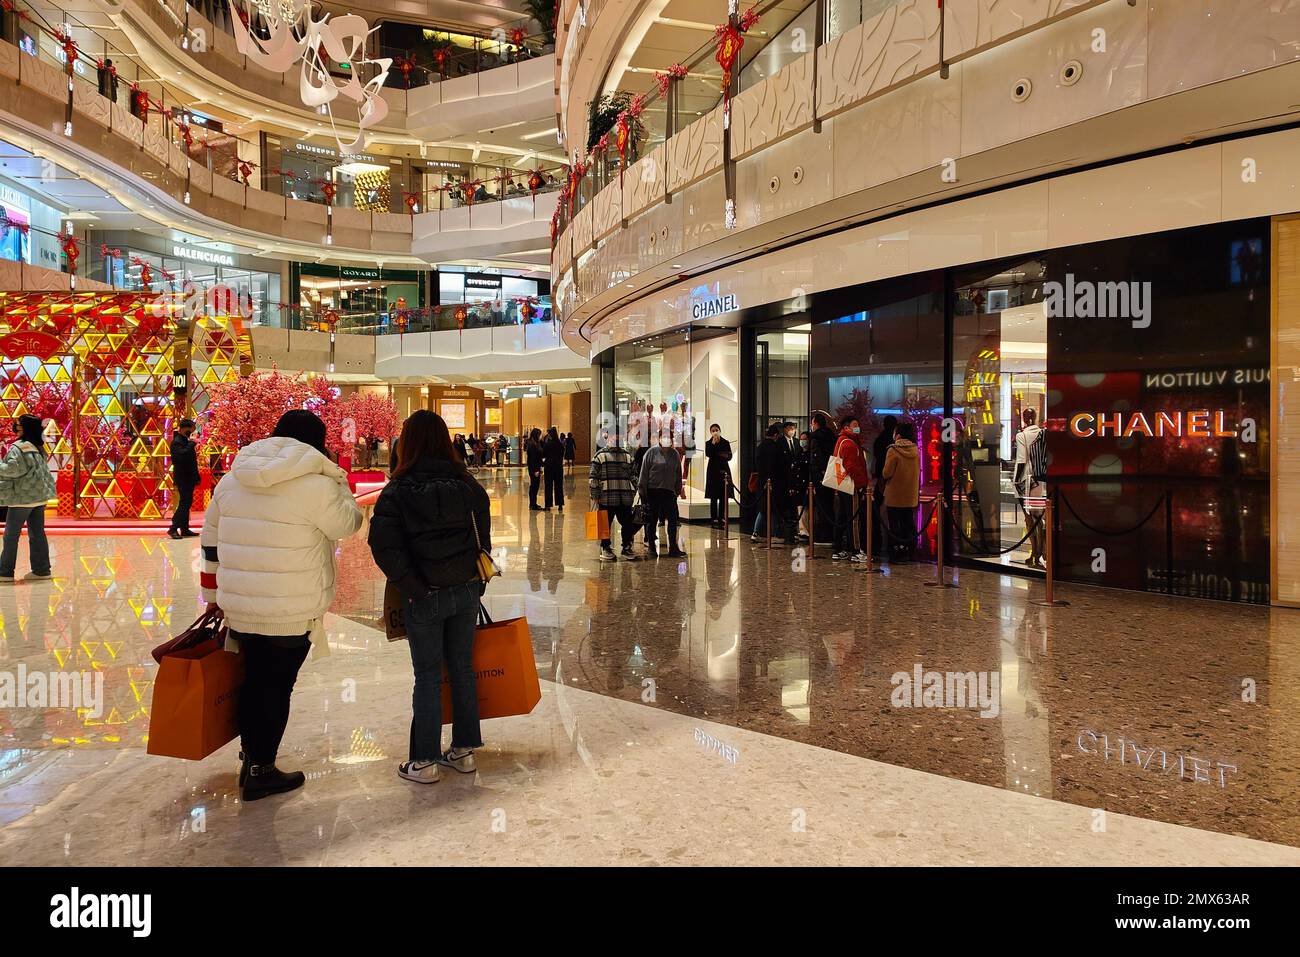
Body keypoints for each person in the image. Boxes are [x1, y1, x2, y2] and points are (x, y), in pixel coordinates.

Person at [200, 409, 363, 801]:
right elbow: (348, 524)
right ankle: (261, 768)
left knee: (254, 681)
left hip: (239, 606)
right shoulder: (317, 483)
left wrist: (211, 599)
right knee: (276, 686)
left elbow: (210, 542)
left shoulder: (232, 479)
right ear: (317, 443)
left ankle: (251, 758)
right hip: (292, 609)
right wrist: (339, 481)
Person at [368, 410, 491, 784]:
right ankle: (464, 750)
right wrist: (475, 582)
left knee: (427, 676)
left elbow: (383, 546)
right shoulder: (469, 486)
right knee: (462, 669)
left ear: (407, 444)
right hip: (466, 590)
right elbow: (482, 540)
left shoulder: (398, 490)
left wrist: (415, 586)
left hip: (426, 595)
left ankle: (424, 760)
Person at [0, 415, 56, 584]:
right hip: (39, 496)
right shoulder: (38, 446)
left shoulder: (18, 447)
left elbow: (13, 469)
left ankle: (5, 572)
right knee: (37, 533)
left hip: (22, 497)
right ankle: (41, 570)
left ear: (24, 427)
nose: (15, 426)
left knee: (11, 535)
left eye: (17, 424)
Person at [589, 429, 639, 561]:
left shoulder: (627, 456)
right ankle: (605, 547)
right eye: (614, 437)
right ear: (608, 437)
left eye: (619, 438)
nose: (617, 440)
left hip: (624, 497)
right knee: (605, 523)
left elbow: (634, 476)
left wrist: (635, 491)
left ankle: (626, 547)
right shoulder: (600, 456)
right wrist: (595, 495)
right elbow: (593, 477)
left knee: (627, 523)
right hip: (606, 498)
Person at [637, 431, 685, 559]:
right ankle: (652, 547)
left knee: (673, 520)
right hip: (653, 491)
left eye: (668, 437)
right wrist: (642, 490)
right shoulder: (651, 453)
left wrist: (678, 488)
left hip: (669, 492)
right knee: (652, 520)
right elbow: (644, 473)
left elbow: (678, 473)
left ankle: (673, 548)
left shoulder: (674, 454)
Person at [832, 415, 871, 562]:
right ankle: (855, 551)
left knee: (842, 516)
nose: (857, 427)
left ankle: (838, 549)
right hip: (851, 486)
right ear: (846, 427)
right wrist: (862, 484)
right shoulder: (849, 443)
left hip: (842, 485)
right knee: (854, 518)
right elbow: (851, 467)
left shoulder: (842, 440)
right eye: (855, 424)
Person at [1013, 408, 1048, 568]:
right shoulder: (1042, 433)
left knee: (1030, 519)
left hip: (1026, 481)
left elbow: (1021, 460)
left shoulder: (1022, 436)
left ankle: (1035, 552)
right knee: (1040, 517)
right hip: (1041, 480)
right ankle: (1043, 552)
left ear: (1024, 419)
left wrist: (1015, 481)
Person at [882, 420, 921, 563]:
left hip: (894, 495)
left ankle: (896, 553)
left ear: (897, 435)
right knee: (908, 523)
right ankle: (910, 551)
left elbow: (887, 473)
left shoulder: (893, 450)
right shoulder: (916, 450)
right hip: (910, 495)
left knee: (894, 525)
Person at [751, 423, 794, 546]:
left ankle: (755, 532)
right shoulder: (776, 448)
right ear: (775, 435)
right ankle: (774, 534)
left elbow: (759, 466)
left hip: (762, 482)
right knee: (773, 509)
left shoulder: (760, 447)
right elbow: (779, 466)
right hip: (774, 483)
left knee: (764, 508)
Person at [168, 418, 202, 539]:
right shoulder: (177, 442)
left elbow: (191, 461)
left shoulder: (184, 441)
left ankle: (184, 528)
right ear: (183, 429)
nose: (192, 432)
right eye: (190, 430)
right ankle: (173, 528)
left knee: (187, 503)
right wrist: (192, 443)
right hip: (183, 477)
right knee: (185, 503)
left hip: (188, 477)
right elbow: (181, 457)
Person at [808, 411, 837, 545]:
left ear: (816, 424)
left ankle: (824, 536)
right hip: (831, 475)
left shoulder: (815, 439)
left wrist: (816, 478)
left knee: (821, 507)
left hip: (820, 477)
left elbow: (816, 460)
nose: (811, 425)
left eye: (812, 423)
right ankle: (831, 533)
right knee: (829, 505)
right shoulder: (832, 437)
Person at [871, 415, 897, 555]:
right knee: (895, 512)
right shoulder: (894, 443)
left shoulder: (880, 440)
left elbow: (878, 458)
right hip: (894, 480)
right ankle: (896, 542)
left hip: (883, 478)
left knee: (877, 508)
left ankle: (878, 537)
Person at [703, 423, 732, 528]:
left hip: (723, 470)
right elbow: (709, 454)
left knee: (723, 496)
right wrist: (714, 444)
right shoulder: (708, 443)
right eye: (713, 430)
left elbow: (729, 456)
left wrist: (722, 455)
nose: (715, 432)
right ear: (711, 432)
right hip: (712, 471)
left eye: (716, 430)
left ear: (719, 430)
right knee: (713, 497)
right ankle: (714, 518)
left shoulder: (725, 442)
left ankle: (722, 517)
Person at [793, 431, 812, 541]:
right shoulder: (798, 454)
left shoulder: (810, 455)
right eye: (801, 439)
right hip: (799, 485)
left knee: (807, 510)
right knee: (800, 508)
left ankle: (807, 531)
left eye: (805, 439)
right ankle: (802, 531)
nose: (803, 441)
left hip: (807, 485)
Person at [542, 426, 565, 510]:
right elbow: (562, 454)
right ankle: (560, 504)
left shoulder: (547, 444)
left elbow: (543, 454)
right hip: (558, 467)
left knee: (548, 485)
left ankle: (548, 505)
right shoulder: (560, 445)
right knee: (559, 485)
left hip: (549, 467)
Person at [525, 428, 544, 509]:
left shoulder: (536, 443)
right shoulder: (532, 444)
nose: (540, 436)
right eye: (539, 434)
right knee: (534, 486)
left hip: (536, 467)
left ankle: (534, 503)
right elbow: (532, 459)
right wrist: (535, 470)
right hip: (534, 468)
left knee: (535, 486)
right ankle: (532, 504)